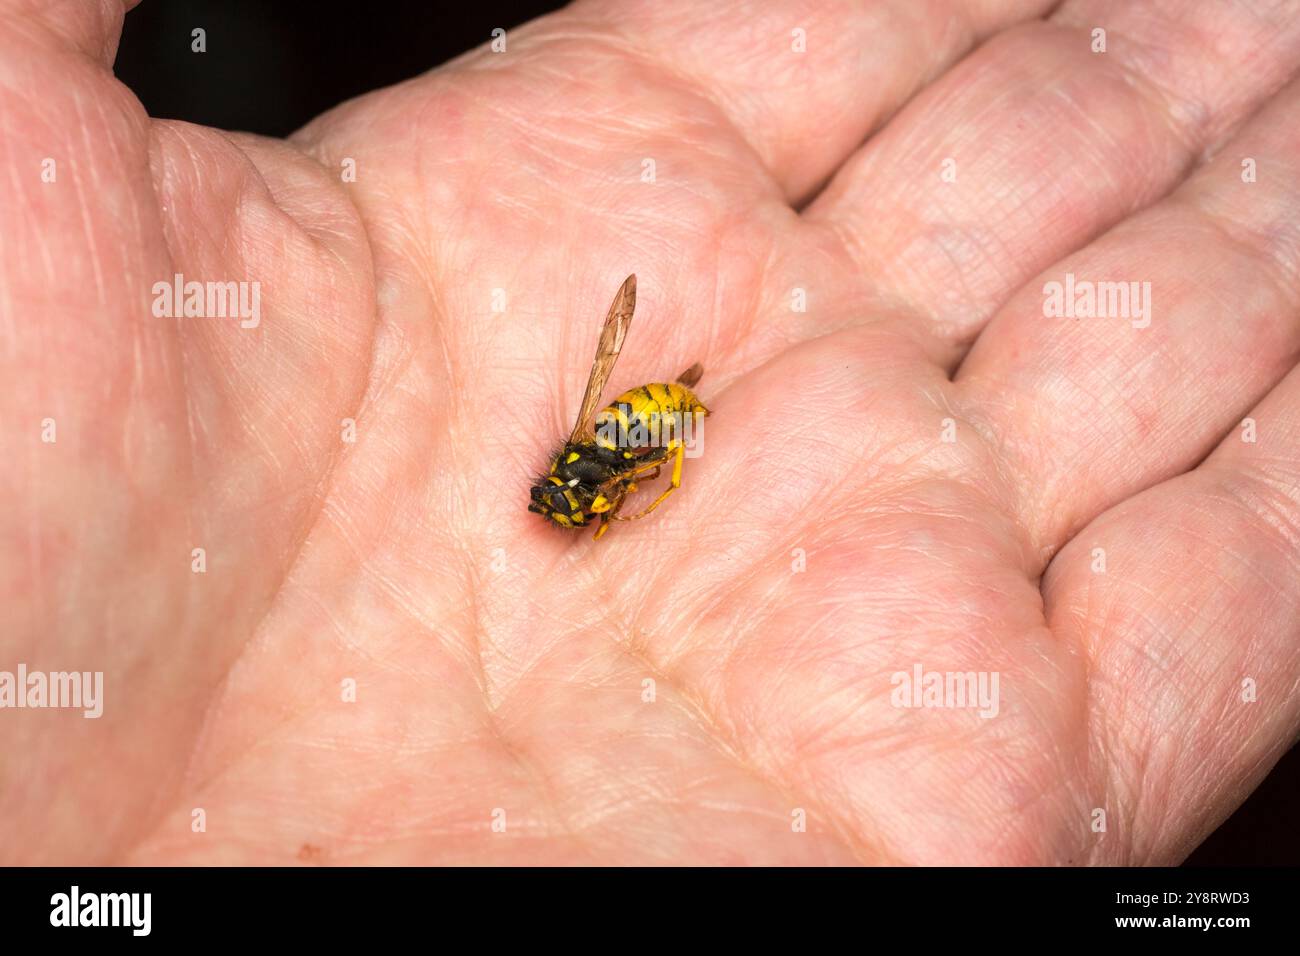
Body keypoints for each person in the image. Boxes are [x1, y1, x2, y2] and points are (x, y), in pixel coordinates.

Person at [3, 0, 1298, 865]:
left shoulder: (607, 463)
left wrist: (658, 439)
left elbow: (636, 453)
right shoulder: (604, 473)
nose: (562, 502)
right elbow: (639, 460)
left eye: (565, 497)